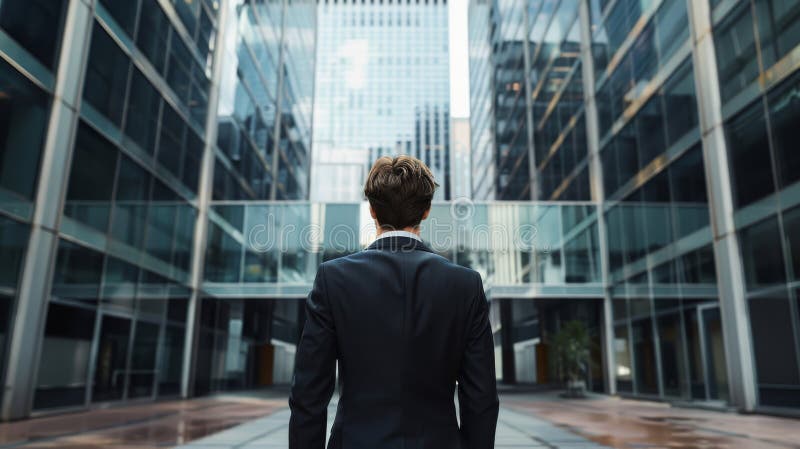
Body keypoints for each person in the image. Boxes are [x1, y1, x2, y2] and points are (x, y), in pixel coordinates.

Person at [289, 155, 499, 449]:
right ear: (426, 211)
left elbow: (308, 396)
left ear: (372, 210)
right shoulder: (465, 285)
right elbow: (481, 398)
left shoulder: (333, 279)